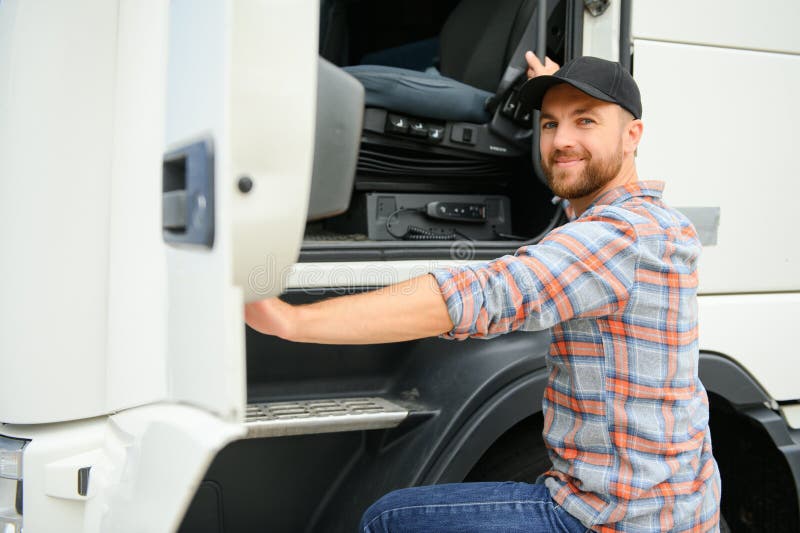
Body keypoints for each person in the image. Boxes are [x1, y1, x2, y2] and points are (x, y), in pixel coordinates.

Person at [245, 53, 722, 532]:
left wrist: (291, 320)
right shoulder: (658, 223)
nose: (562, 140)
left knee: (388, 520)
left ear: (632, 136)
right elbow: (590, 176)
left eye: (586, 121)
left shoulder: (617, 239)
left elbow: (485, 293)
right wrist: (563, 90)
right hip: (680, 506)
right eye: (551, 123)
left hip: (610, 520)